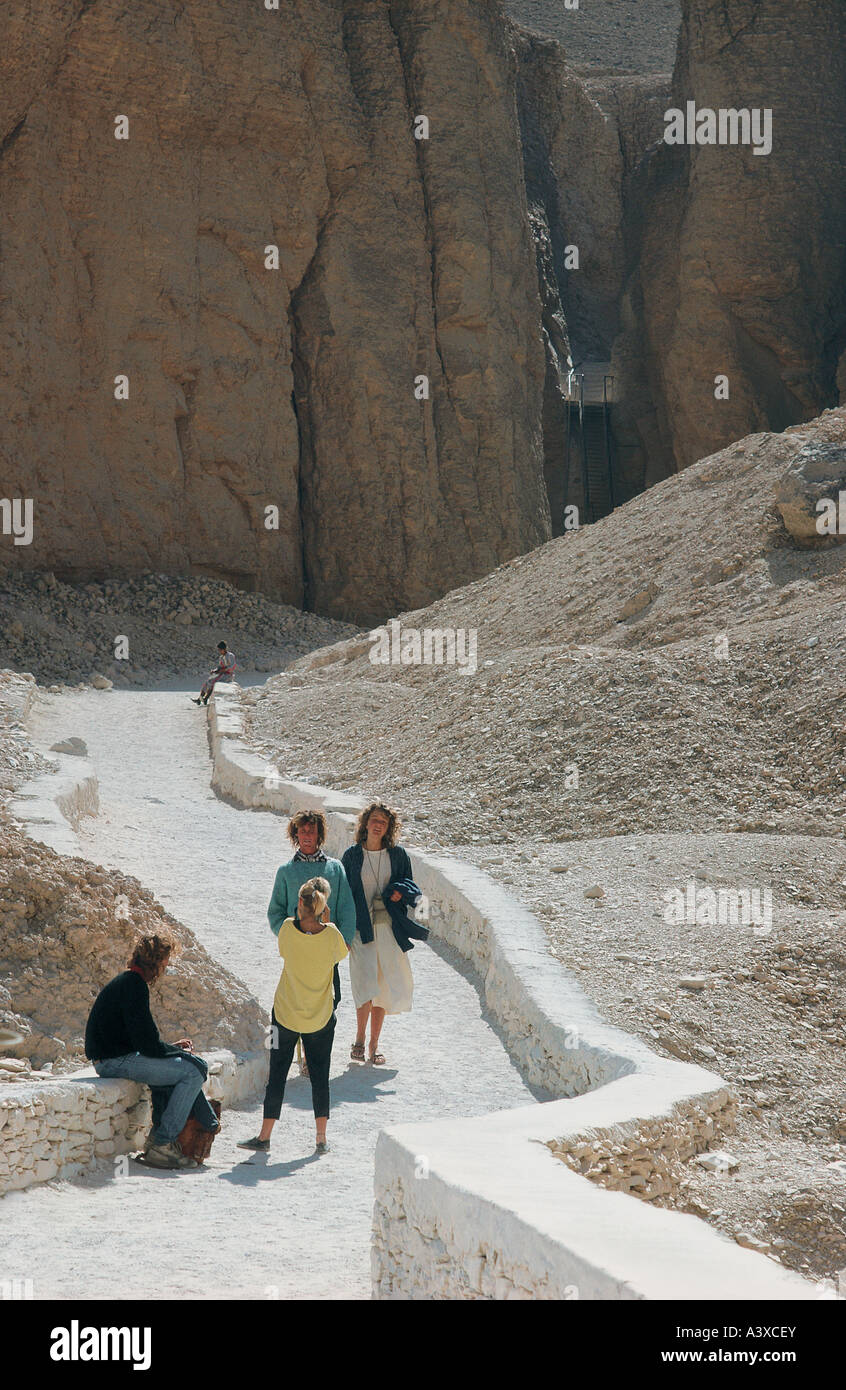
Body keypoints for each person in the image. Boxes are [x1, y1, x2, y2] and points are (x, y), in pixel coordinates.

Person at [84, 932, 219, 1170]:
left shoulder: (129, 982)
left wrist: (173, 1050)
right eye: (164, 962)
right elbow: (148, 1044)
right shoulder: (134, 986)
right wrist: (177, 1053)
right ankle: (163, 1143)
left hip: (114, 1056)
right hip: (113, 1061)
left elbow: (143, 1040)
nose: (165, 968)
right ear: (155, 962)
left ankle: (164, 1138)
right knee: (192, 1071)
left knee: (187, 1065)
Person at [239, 879, 348, 1154]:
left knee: (277, 1073)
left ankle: (264, 1135)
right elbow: (340, 955)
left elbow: (286, 951)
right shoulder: (333, 935)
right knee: (320, 1076)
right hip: (320, 1017)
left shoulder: (287, 929)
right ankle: (321, 1139)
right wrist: (328, 923)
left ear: (300, 903)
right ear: (324, 905)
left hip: (285, 1014)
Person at [342, 802, 427, 1066]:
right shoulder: (352, 855)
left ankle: (374, 1045)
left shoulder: (398, 855)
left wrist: (400, 893)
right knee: (364, 983)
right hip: (360, 928)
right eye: (375, 819)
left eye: (384, 821)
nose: (379, 824)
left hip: (388, 928)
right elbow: (343, 894)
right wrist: (342, 932)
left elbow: (411, 886)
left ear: (388, 827)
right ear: (366, 822)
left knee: (383, 986)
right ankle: (358, 1039)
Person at [192, 640, 236, 705]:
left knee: (212, 682)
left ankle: (206, 698)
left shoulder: (230, 656)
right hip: (221, 673)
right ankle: (200, 698)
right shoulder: (221, 657)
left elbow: (233, 666)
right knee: (208, 681)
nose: (219, 651)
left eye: (220, 650)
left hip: (228, 675)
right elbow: (219, 667)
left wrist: (224, 670)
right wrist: (215, 670)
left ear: (224, 649)